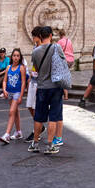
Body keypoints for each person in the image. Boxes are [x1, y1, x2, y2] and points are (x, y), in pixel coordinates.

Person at [29, 26, 65, 154]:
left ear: (40, 36)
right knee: (53, 117)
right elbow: (63, 65)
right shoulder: (57, 48)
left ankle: (35, 143)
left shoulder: (35, 52)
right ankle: (50, 145)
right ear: (50, 35)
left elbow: (36, 70)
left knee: (39, 117)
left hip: (42, 87)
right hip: (55, 87)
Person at [0, 48, 27, 143]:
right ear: (12, 57)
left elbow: (23, 83)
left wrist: (21, 96)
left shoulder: (21, 68)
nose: (16, 57)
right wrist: (4, 90)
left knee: (11, 112)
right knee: (15, 112)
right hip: (9, 93)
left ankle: (7, 134)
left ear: (20, 57)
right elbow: (5, 80)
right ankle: (18, 132)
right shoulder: (8, 67)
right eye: (14, 55)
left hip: (17, 93)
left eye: (18, 56)